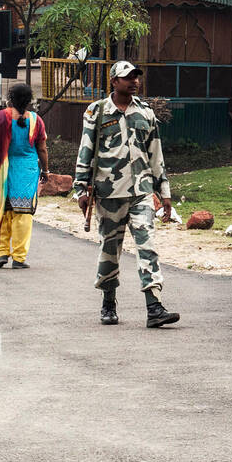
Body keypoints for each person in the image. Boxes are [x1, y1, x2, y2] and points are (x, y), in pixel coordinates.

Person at [71, 60, 179, 328]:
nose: (134, 81)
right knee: (110, 249)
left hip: (141, 192)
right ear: (114, 81)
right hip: (108, 192)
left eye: (136, 77)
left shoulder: (146, 113)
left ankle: (154, 306)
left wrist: (163, 190)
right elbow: (86, 150)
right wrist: (80, 187)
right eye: (127, 77)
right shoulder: (97, 112)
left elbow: (156, 153)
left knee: (148, 245)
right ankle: (108, 302)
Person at [0, 83, 49, 269]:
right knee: (23, 215)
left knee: (2, 209)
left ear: (10, 98)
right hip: (27, 172)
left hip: (2, 170)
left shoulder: (0, 117)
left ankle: (2, 252)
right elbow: (42, 149)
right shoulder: (36, 120)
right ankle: (19, 257)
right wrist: (46, 170)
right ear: (29, 100)